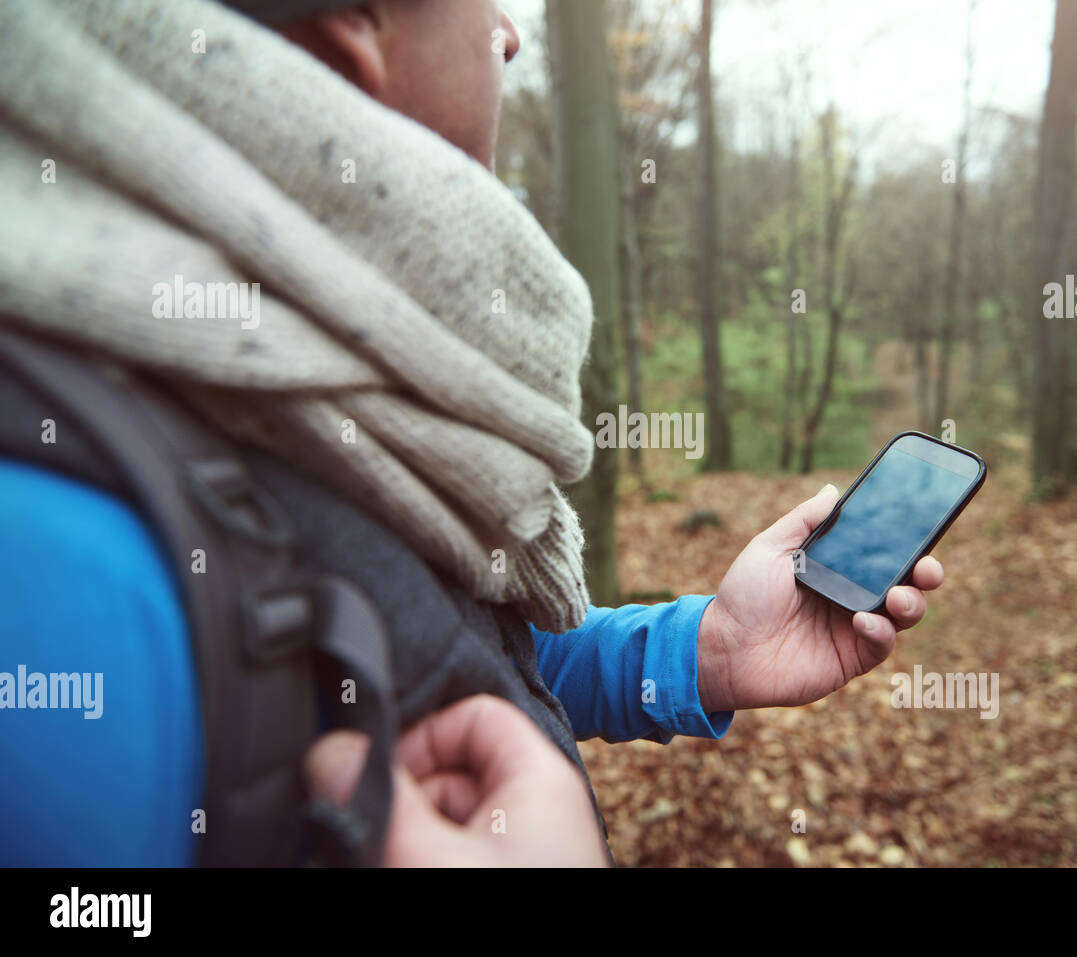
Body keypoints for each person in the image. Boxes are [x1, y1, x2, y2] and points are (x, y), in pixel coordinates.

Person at [0, 0, 943, 867]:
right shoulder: (63, 555)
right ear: (360, 25)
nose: (511, 30)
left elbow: (472, 664)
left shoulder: (353, 380)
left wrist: (709, 650)